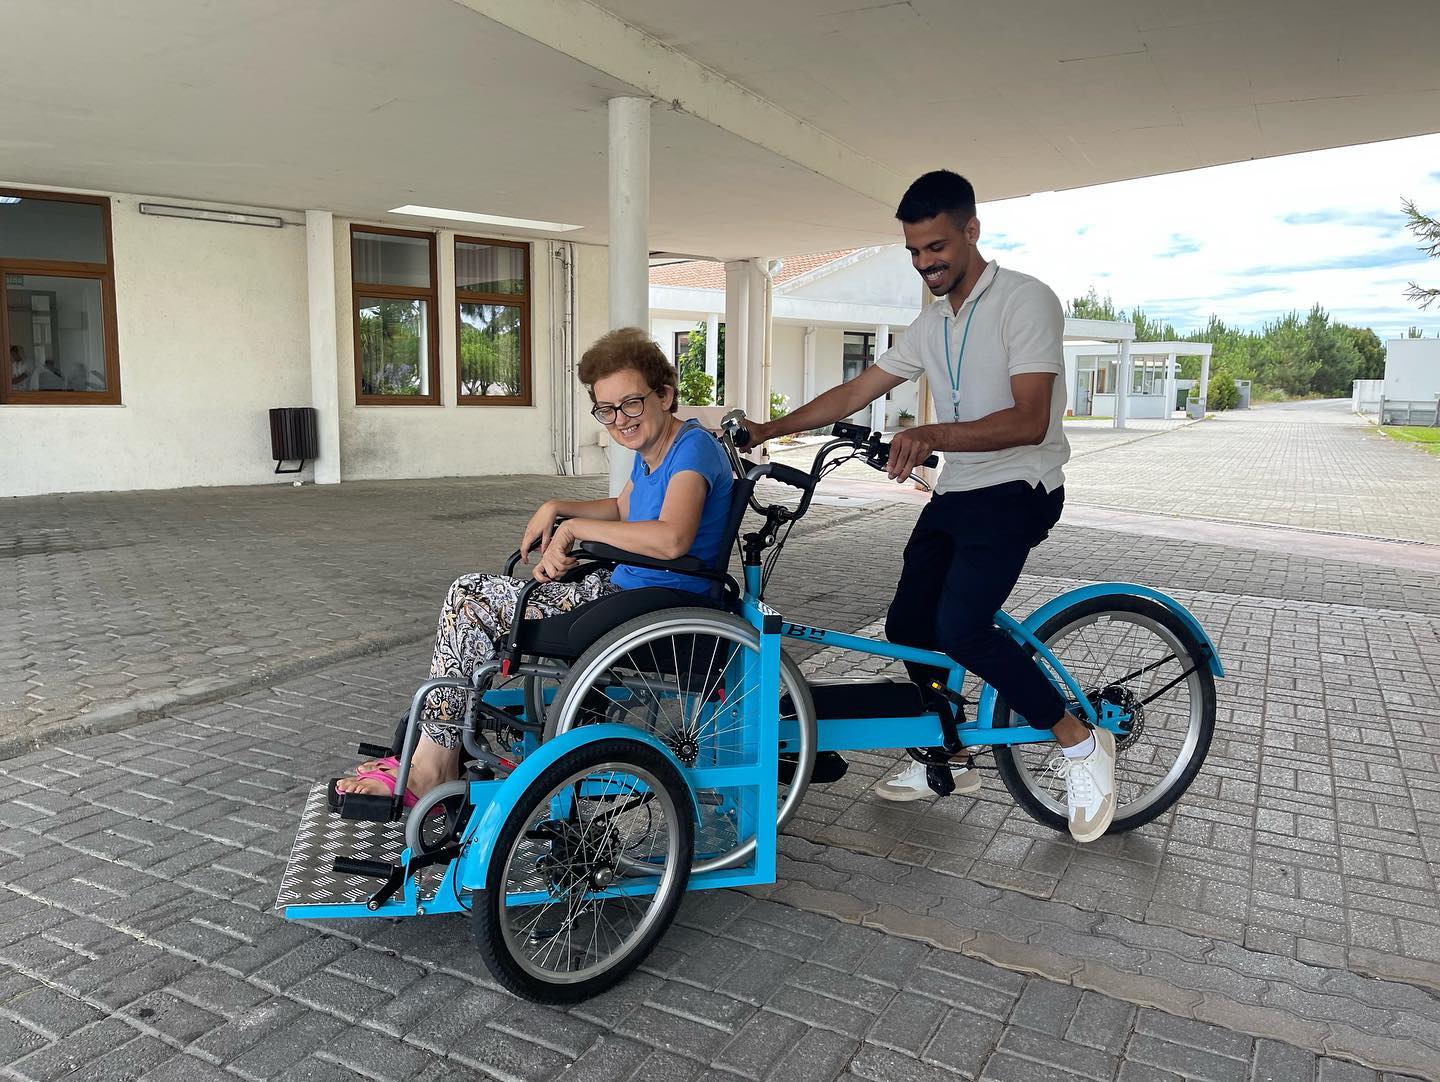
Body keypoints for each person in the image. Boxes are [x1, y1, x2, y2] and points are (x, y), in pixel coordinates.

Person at [741, 170, 1116, 842]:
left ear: (972, 231)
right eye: (914, 251)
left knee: (962, 628)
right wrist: (769, 431)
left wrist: (929, 434)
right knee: (910, 623)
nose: (925, 262)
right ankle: (947, 752)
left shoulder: (1025, 302)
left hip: (1021, 486)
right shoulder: (932, 321)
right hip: (960, 490)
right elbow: (858, 389)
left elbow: (1030, 420)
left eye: (936, 246)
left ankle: (1080, 742)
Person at [335, 327, 734, 806]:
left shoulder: (692, 448)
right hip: (622, 587)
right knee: (473, 599)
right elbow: (626, 512)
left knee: (471, 599)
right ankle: (435, 747)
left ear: (665, 395)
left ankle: (433, 760)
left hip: (658, 604)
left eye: (631, 404)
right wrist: (557, 506)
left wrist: (575, 530)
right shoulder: (653, 452)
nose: (619, 421)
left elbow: (672, 538)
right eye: (606, 410)